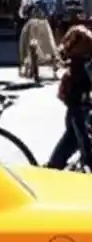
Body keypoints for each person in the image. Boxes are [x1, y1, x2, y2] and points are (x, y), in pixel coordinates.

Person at [47, 25, 92, 169]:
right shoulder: (83, 54)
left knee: (73, 140)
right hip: (78, 106)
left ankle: (54, 168)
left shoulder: (81, 44)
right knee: (79, 144)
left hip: (77, 106)